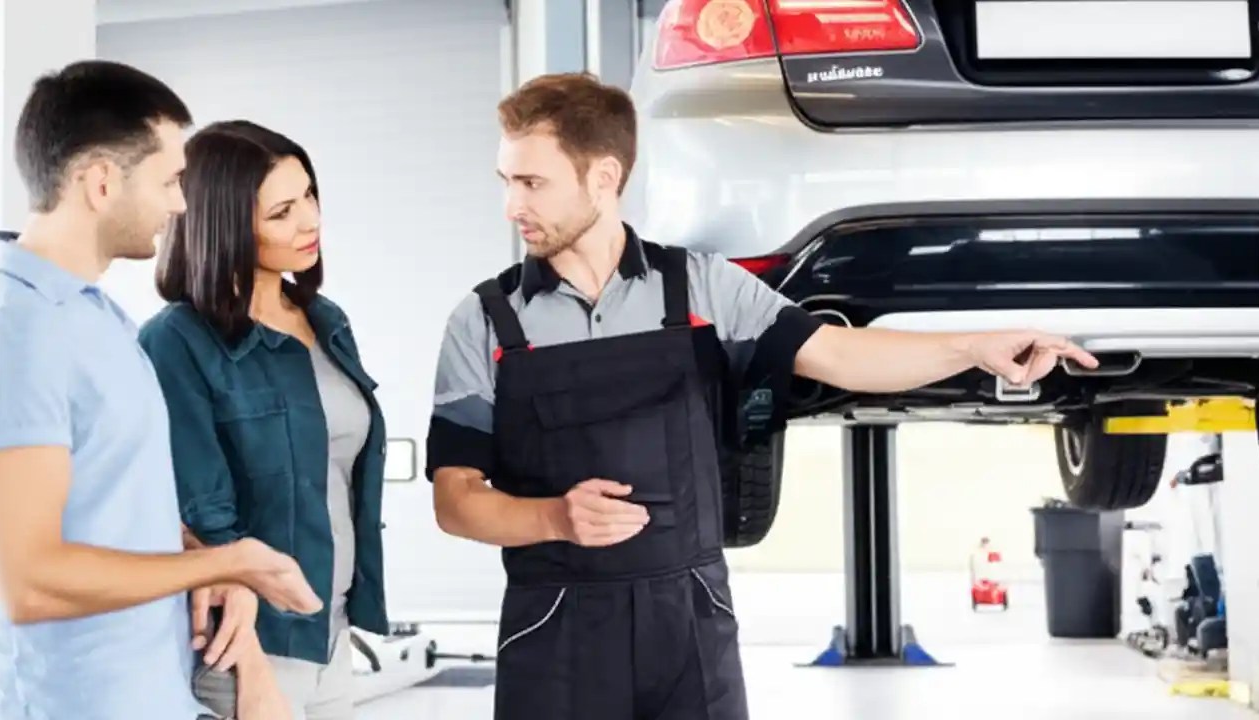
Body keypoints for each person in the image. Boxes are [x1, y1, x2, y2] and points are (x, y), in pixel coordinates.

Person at [425, 72, 1099, 720]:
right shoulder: (485, 321)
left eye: (531, 182)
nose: (513, 204)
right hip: (555, 635)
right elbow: (455, 499)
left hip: (689, 626)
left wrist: (974, 347)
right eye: (506, 181)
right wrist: (555, 520)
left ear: (604, 177)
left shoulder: (700, 290)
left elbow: (839, 354)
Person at [0, 61, 322, 720]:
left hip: (153, 694)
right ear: (102, 182)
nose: (181, 203)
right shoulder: (14, 332)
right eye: (169, 180)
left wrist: (208, 563)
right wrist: (232, 561)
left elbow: (116, 505)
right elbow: (28, 580)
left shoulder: (99, 318)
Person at [137, 119, 390, 720]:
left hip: (328, 635)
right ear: (225, 225)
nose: (310, 221)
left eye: (309, 195)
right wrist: (250, 669)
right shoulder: (176, 342)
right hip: (246, 652)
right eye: (281, 212)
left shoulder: (325, 320)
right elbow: (202, 522)